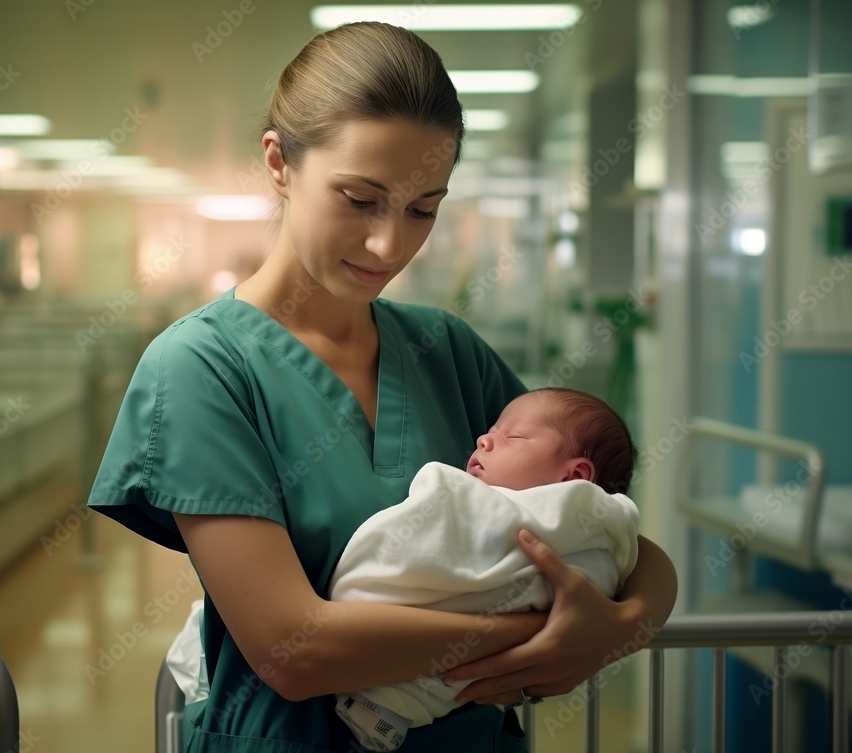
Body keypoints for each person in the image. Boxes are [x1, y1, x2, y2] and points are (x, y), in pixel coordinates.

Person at [87, 21, 677, 753]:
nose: (390, 244)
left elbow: (610, 524)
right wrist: (541, 637)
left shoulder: (445, 350)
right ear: (279, 163)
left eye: (423, 208)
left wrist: (624, 623)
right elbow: (293, 649)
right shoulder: (204, 370)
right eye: (360, 198)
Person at [330, 387, 640, 751]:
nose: (484, 439)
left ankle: (397, 701)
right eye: (491, 430)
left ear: (574, 479)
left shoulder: (580, 525)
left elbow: (625, 573)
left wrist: (629, 618)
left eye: (513, 436)